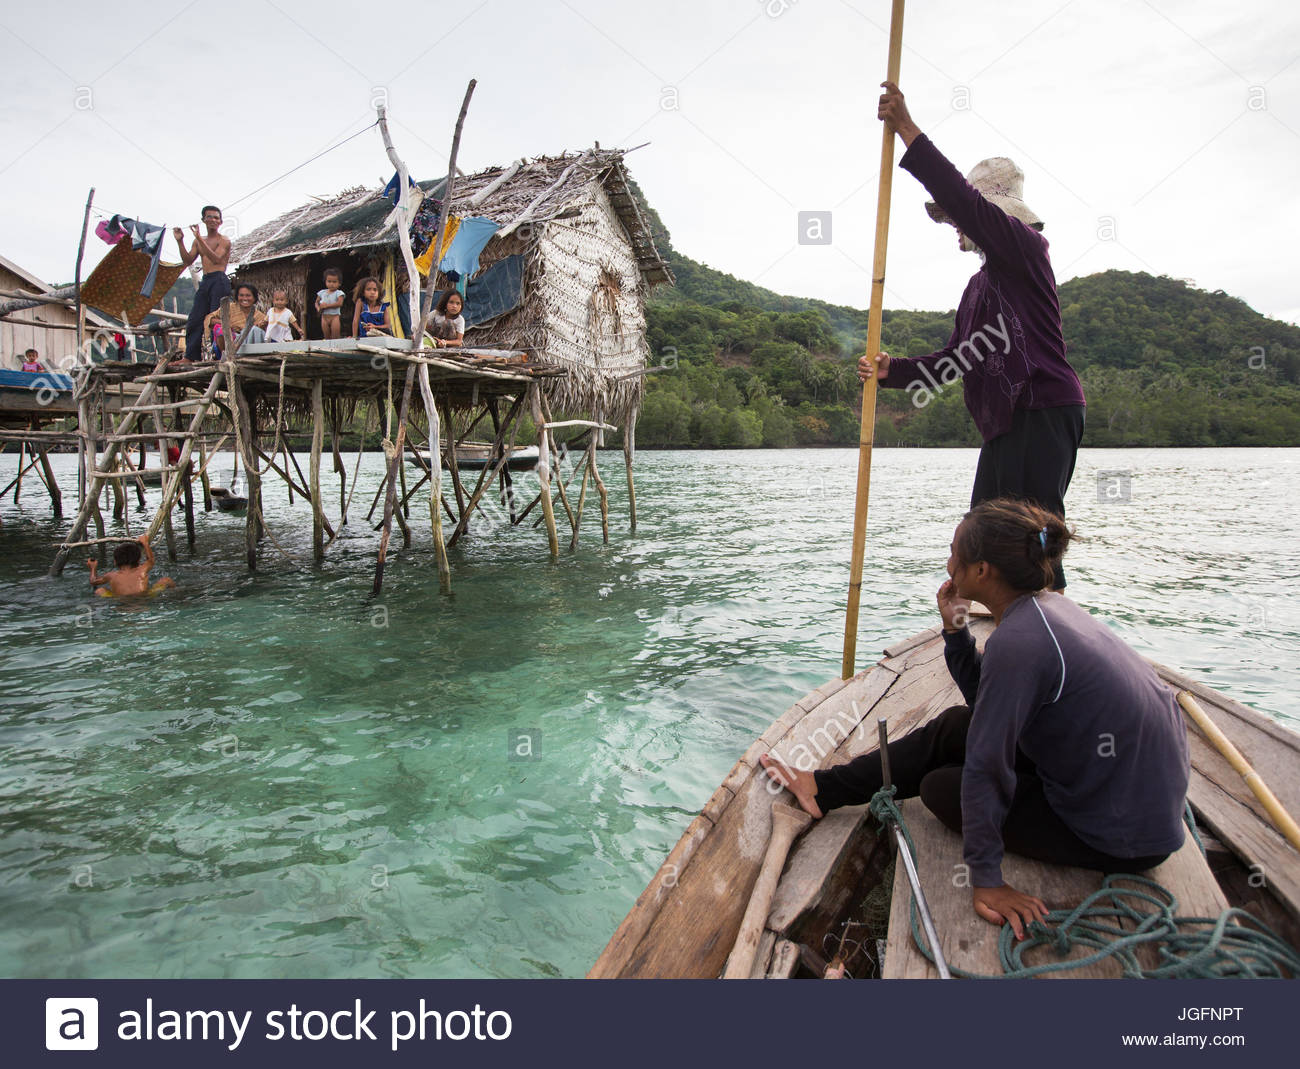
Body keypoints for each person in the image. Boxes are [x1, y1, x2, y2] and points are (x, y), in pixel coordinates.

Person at [760, 498, 1190, 939]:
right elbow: (986, 705)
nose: (948, 562)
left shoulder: (1020, 641)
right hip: (1117, 788)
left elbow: (987, 765)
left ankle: (832, 790)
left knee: (941, 788)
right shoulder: (1046, 609)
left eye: (953, 552)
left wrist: (987, 881)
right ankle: (822, 787)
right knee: (953, 727)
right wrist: (955, 631)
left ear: (982, 570)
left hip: (1121, 833)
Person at [858, 83, 1086, 590]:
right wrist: (891, 371)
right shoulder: (979, 286)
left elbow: (962, 199)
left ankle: (1051, 619)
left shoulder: (1025, 247)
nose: (953, 226)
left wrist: (908, 130)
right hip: (1008, 420)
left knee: (1035, 533)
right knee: (984, 532)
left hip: (1043, 406)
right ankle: (1000, 619)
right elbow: (952, 362)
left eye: (959, 218)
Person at [176, 206, 232, 359]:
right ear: (203, 220)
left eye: (216, 217)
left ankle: (219, 355)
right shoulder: (198, 241)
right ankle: (190, 357)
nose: (213, 220)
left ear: (220, 221)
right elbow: (188, 260)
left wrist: (200, 238)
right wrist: (180, 241)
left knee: (216, 320)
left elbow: (216, 259)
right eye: (209, 217)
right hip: (206, 281)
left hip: (219, 280)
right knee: (195, 319)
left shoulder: (224, 240)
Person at [87, 534, 175, 598]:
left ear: (115, 561)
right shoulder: (142, 570)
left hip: (121, 600)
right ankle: (176, 596)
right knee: (166, 580)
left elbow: (93, 581)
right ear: (138, 559)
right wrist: (145, 543)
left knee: (100, 590)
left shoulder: (111, 575)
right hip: (144, 598)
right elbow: (151, 560)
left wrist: (93, 568)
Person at [203, 283, 267, 359]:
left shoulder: (260, 316)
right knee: (219, 328)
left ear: (254, 298)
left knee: (255, 331)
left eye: (248, 295)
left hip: (248, 343)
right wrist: (225, 323)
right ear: (237, 297)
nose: (244, 298)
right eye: (241, 295)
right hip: (230, 341)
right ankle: (227, 357)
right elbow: (209, 319)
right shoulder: (229, 307)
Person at [316, 269, 345, 339]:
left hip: (334, 317)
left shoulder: (339, 293)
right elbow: (316, 302)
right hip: (324, 317)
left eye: (334, 282)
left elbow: (340, 303)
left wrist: (327, 306)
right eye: (329, 281)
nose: (331, 284)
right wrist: (318, 308)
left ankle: (336, 348)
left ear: (339, 283)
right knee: (326, 336)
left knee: (335, 336)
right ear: (325, 281)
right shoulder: (322, 292)